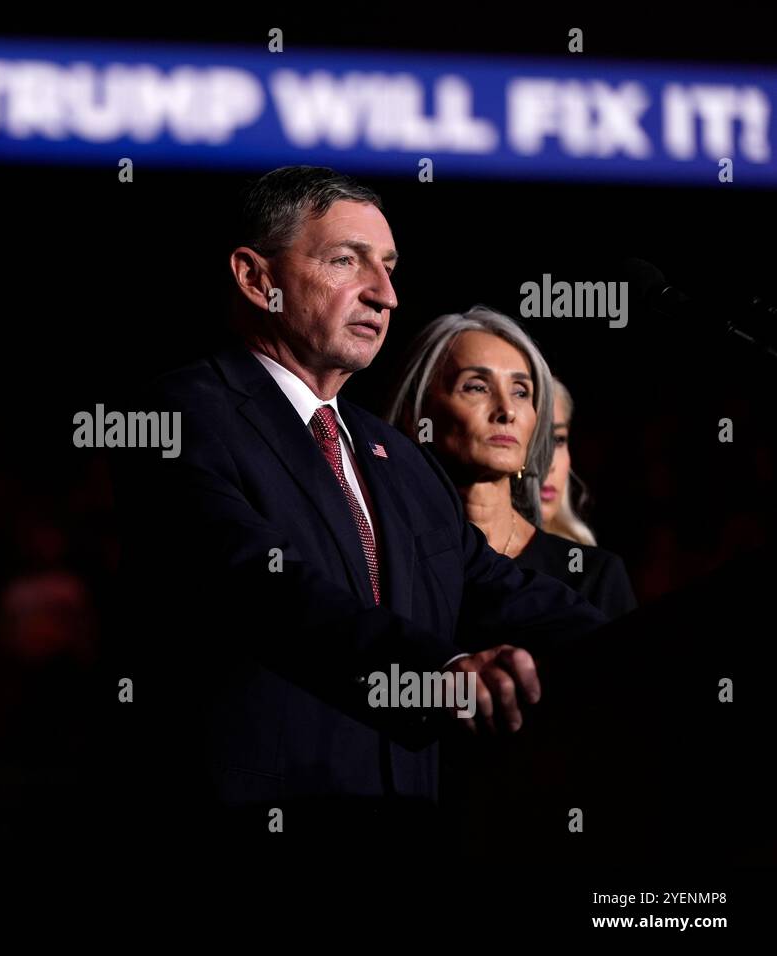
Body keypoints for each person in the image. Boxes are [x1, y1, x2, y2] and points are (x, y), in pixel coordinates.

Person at [110, 166, 607, 842]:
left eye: (390, 266)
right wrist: (436, 675)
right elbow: (266, 593)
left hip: (406, 836)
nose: (386, 294)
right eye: (347, 261)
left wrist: (675, 647)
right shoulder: (180, 416)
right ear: (258, 279)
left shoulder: (399, 459)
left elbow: (501, 588)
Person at [385, 307, 636, 618]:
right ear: (415, 416)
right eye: (477, 386)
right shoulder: (385, 562)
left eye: (521, 392)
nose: (507, 410)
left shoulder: (593, 576)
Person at [541, 378, 597, 546]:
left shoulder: (578, 559)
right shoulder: (465, 552)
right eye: (533, 442)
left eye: (558, 440)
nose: (549, 464)